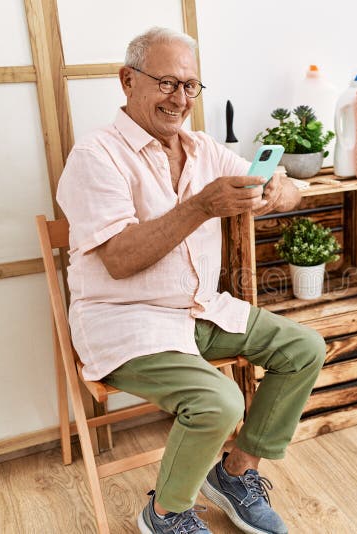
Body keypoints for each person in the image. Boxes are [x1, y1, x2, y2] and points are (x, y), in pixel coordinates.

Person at [56, 27, 326, 534]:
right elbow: (118, 258)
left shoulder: (203, 149)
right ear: (127, 81)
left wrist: (278, 191)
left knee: (304, 347)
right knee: (220, 402)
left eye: (190, 86)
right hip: (127, 322)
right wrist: (201, 206)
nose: (180, 99)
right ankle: (164, 513)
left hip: (200, 309)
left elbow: (287, 190)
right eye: (166, 83)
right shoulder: (96, 157)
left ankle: (235, 473)